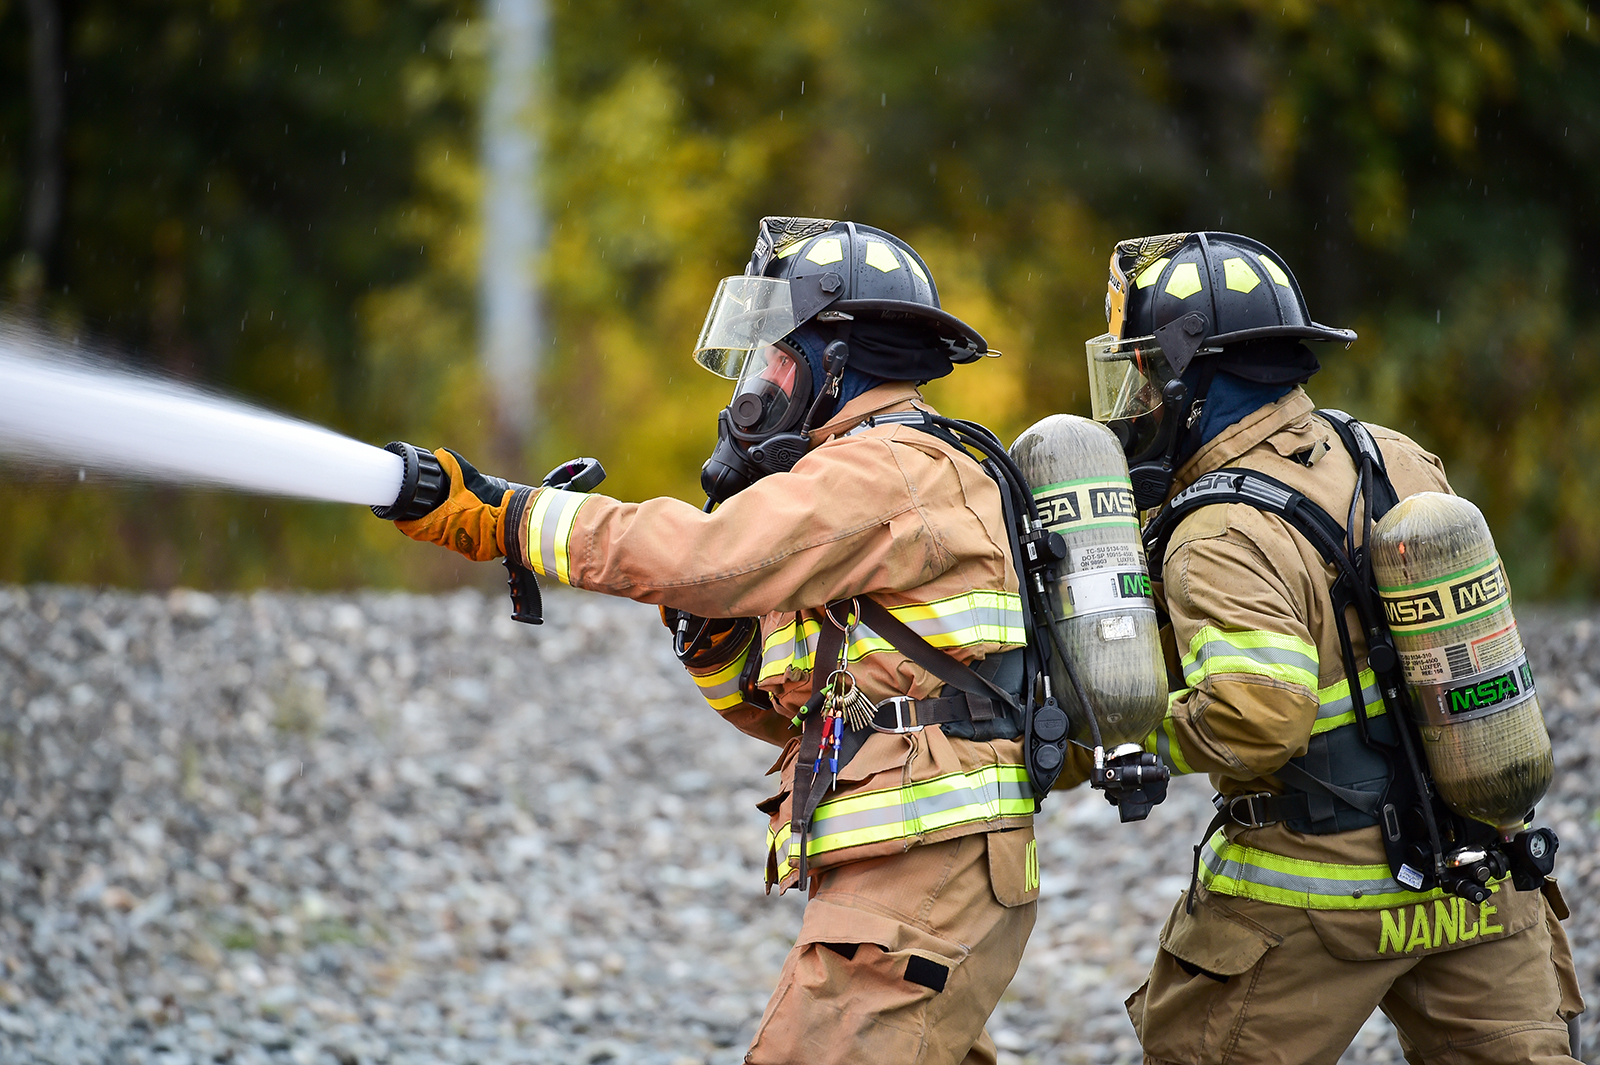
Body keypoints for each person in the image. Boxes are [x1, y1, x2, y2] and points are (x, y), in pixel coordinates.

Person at [391, 217, 1046, 1065]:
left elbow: (705, 558)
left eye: (775, 356)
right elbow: (799, 715)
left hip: (925, 869)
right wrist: (707, 642)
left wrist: (513, 517)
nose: (758, 383)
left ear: (836, 363)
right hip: (919, 869)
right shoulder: (856, 478)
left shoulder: (885, 468)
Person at [1087, 231, 1585, 1064]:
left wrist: (1133, 730)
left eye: (1143, 372)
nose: (1137, 399)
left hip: (1316, 895)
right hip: (1479, 874)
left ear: (1188, 381)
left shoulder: (1215, 529)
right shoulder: (1398, 457)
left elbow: (1259, 716)